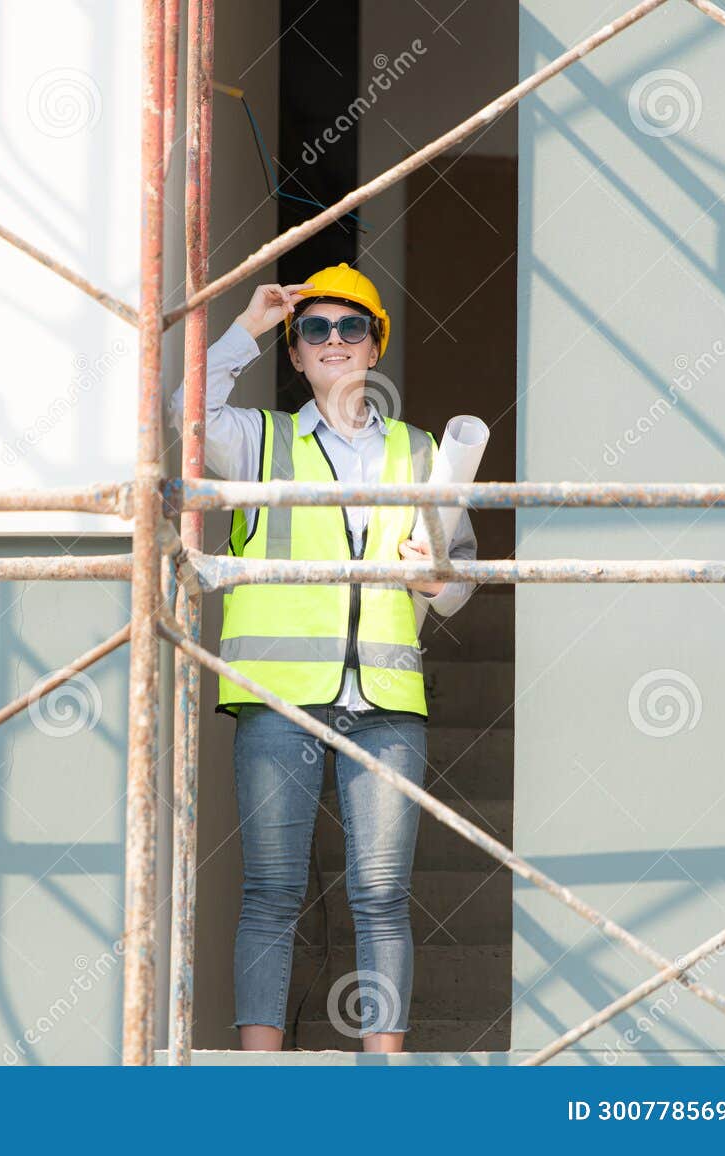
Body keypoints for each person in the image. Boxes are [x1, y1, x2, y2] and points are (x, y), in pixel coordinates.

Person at [167, 263, 479, 1052]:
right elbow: (185, 414)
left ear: (375, 346)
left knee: (382, 895)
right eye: (315, 329)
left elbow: (458, 586)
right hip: (277, 695)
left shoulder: (422, 452)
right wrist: (250, 325)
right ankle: (258, 1078)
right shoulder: (259, 441)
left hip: (386, 699)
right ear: (297, 354)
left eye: (350, 327)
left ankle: (383, 1075)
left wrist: (435, 576)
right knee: (272, 892)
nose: (333, 340)